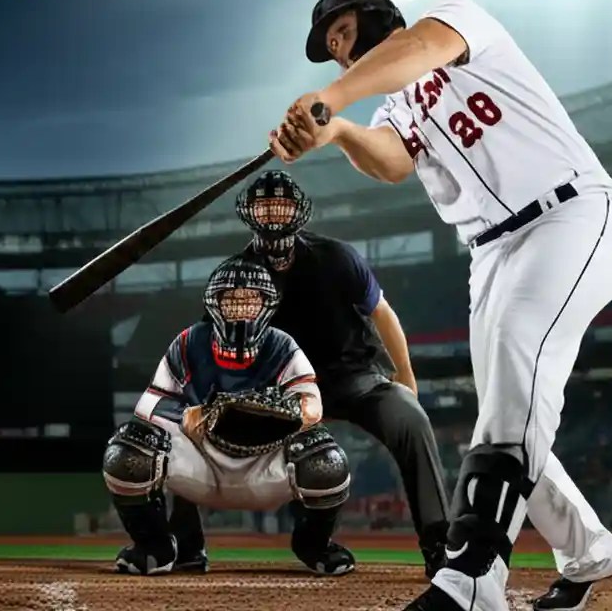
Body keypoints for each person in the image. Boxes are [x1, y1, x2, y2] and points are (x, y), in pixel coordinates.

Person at [270, 0, 612, 611]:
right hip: (490, 254)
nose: (337, 49)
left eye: (342, 31)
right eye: (330, 47)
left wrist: (328, 101)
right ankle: (588, 548)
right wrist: (339, 133)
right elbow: (390, 163)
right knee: (507, 410)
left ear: (378, 16)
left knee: (519, 356)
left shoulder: (453, 18)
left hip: (569, 214)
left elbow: (418, 49)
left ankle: (473, 574)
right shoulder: (396, 107)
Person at [168, 170, 451, 579]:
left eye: (281, 205)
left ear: (298, 210)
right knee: (186, 428)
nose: (273, 214)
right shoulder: (236, 274)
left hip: (354, 378)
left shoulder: (337, 257)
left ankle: (439, 545)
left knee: (410, 419)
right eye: (265, 206)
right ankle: (190, 547)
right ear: (249, 213)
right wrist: (201, 404)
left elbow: (383, 315)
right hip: (278, 392)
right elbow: (211, 344)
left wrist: (406, 379)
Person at [103, 256, 356, 577]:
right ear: (214, 303)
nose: (240, 306)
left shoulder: (282, 345)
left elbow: (312, 407)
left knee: (325, 457)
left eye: (250, 298)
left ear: (267, 303)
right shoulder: (188, 341)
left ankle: (314, 544)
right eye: (231, 299)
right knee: (129, 447)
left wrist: (278, 412)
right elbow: (148, 405)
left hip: (265, 465)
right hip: (201, 461)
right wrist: (187, 415)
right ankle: (155, 547)